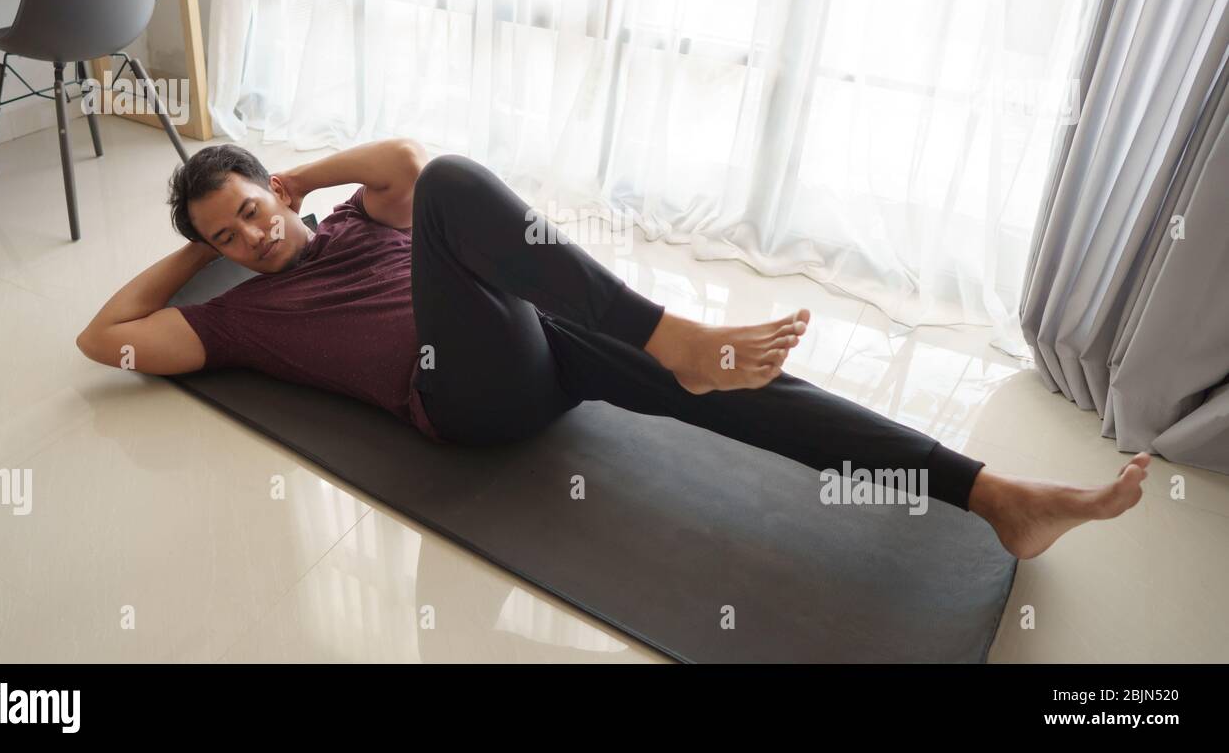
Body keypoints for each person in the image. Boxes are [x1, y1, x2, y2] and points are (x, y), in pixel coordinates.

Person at [76, 140, 1149, 559]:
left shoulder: (358, 216)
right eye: (227, 237)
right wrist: (188, 258)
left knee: (747, 390)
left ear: (279, 189)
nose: (251, 240)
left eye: (253, 212)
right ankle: (676, 336)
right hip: (461, 400)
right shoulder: (234, 317)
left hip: (531, 347)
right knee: (456, 184)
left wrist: (301, 181)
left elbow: (394, 158)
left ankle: (990, 493)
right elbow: (102, 339)